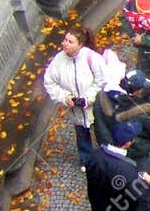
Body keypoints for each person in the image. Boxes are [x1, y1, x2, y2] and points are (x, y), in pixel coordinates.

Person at [42, 26, 108, 169]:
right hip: (76, 110)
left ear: (80, 45)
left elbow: (102, 81)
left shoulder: (92, 58)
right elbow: (49, 82)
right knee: (82, 135)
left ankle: (108, 159)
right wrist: (65, 97)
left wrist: (88, 97)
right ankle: (87, 160)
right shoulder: (58, 60)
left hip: (96, 106)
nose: (64, 43)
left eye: (70, 41)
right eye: (65, 39)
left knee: (103, 132)